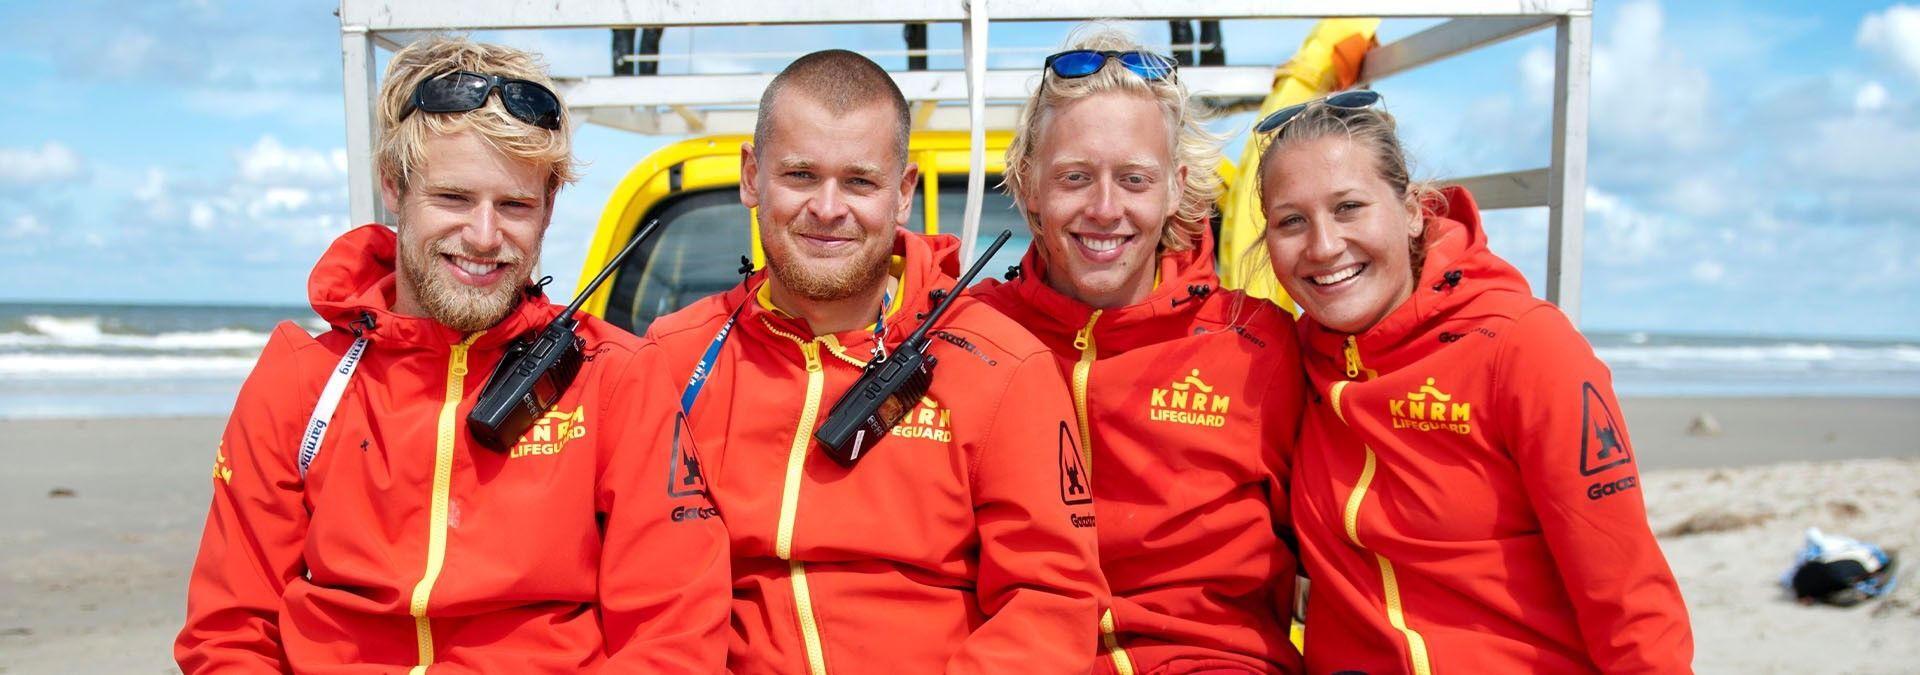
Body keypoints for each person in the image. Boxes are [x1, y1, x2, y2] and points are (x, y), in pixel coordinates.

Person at [175, 37, 729, 673]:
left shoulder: (616, 379)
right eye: (454, 198)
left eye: (515, 205)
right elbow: (230, 633)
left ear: (549, 210)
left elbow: (673, 634)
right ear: (393, 185)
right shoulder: (303, 380)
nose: (485, 236)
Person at [643, 49, 1106, 673]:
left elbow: (1052, 603)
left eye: (859, 181)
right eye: (800, 175)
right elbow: (644, 592)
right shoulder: (672, 355)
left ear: (903, 193)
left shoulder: (1003, 365)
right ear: (752, 176)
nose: (828, 209)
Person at [1254, 90, 1694, 673]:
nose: (1324, 245)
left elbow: (1626, 590)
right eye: (1291, 221)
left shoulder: (1524, 346)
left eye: (1349, 207)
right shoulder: (1289, 359)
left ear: (1412, 209)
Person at [970, 29, 1306, 674]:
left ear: (1176, 189)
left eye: (1133, 179)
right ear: (1029, 185)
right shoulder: (974, 336)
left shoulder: (1258, 344)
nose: (1104, 209)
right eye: (1074, 177)